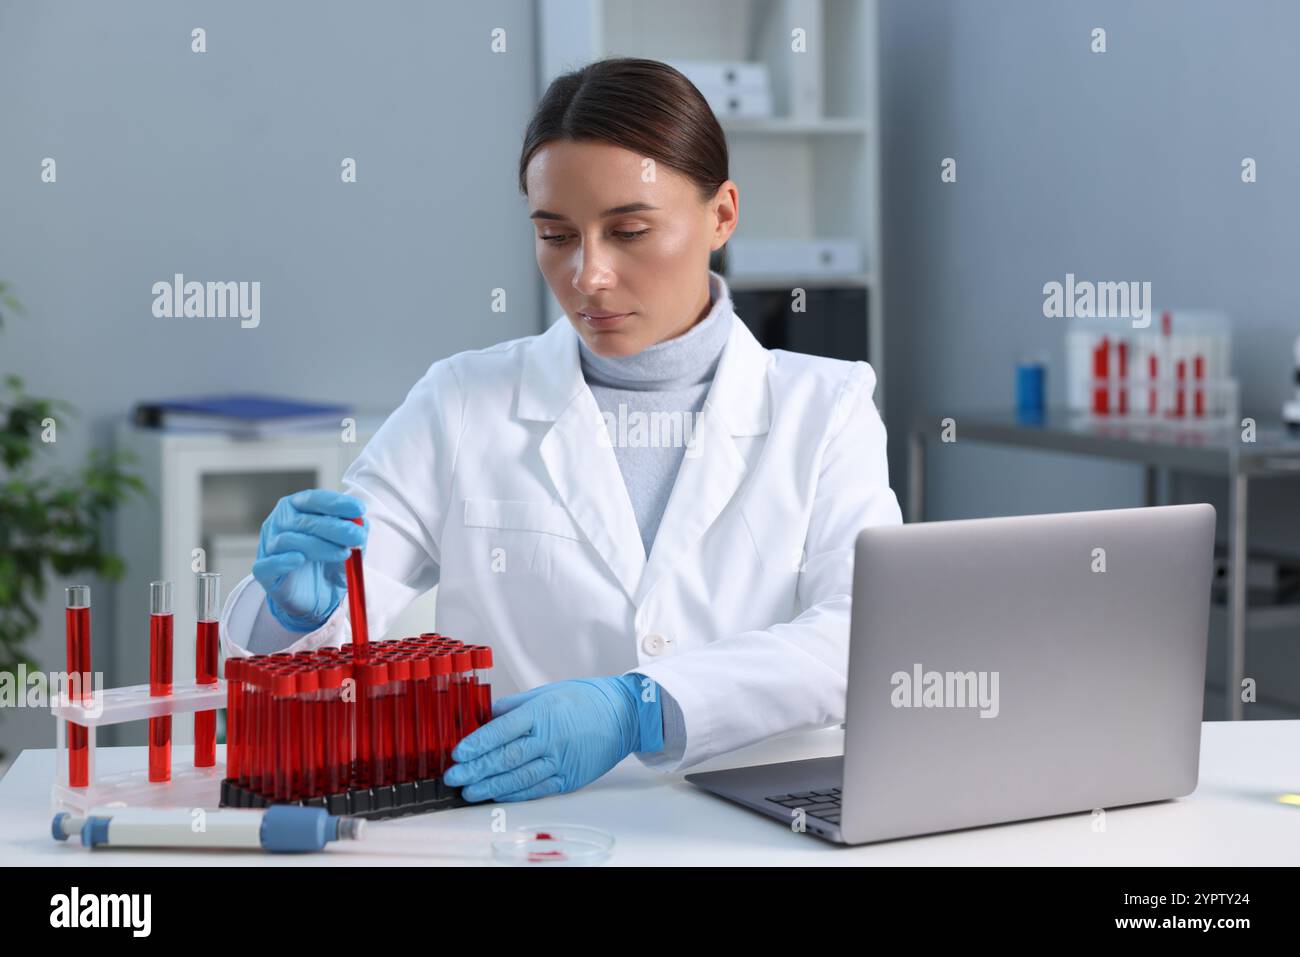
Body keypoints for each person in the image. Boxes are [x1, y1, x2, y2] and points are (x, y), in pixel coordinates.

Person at [220, 57, 902, 803]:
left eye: (629, 230)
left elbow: (857, 637)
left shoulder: (827, 407)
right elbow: (332, 642)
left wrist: (638, 707)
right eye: (556, 235)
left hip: (763, 825)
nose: (588, 276)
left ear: (723, 214)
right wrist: (292, 614)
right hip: (524, 828)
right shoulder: (462, 401)